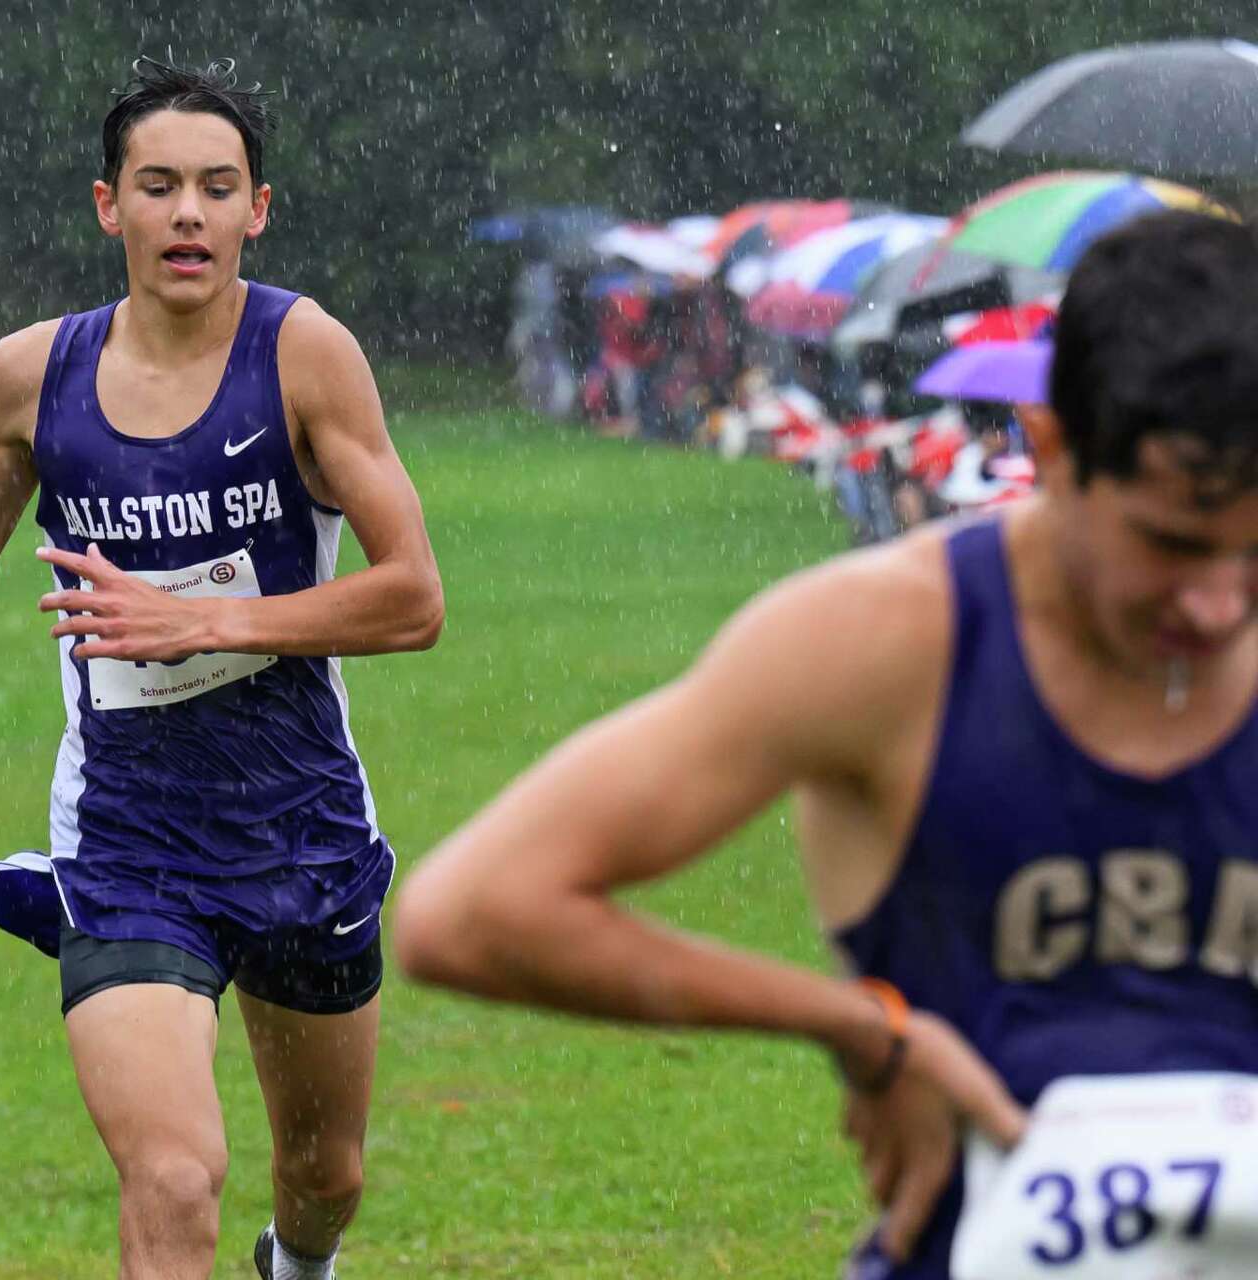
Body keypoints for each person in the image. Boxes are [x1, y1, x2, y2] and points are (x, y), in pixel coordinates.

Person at [393, 210, 1258, 1278]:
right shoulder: (885, 641)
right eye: (1171, 544)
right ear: (1050, 444)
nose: (1219, 605)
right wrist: (861, 1027)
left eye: (1253, 552)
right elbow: (473, 910)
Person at [0, 56, 443, 1280]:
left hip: (298, 826)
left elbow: (413, 595)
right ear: (109, 205)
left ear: (257, 209)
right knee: (171, 1178)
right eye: (157, 187)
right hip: (128, 838)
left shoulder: (305, 355)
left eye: (218, 188)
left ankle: (297, 1265)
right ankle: (77, 904)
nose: (188, 214)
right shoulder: (29, 378)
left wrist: (203, 621)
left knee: (327, 1178)